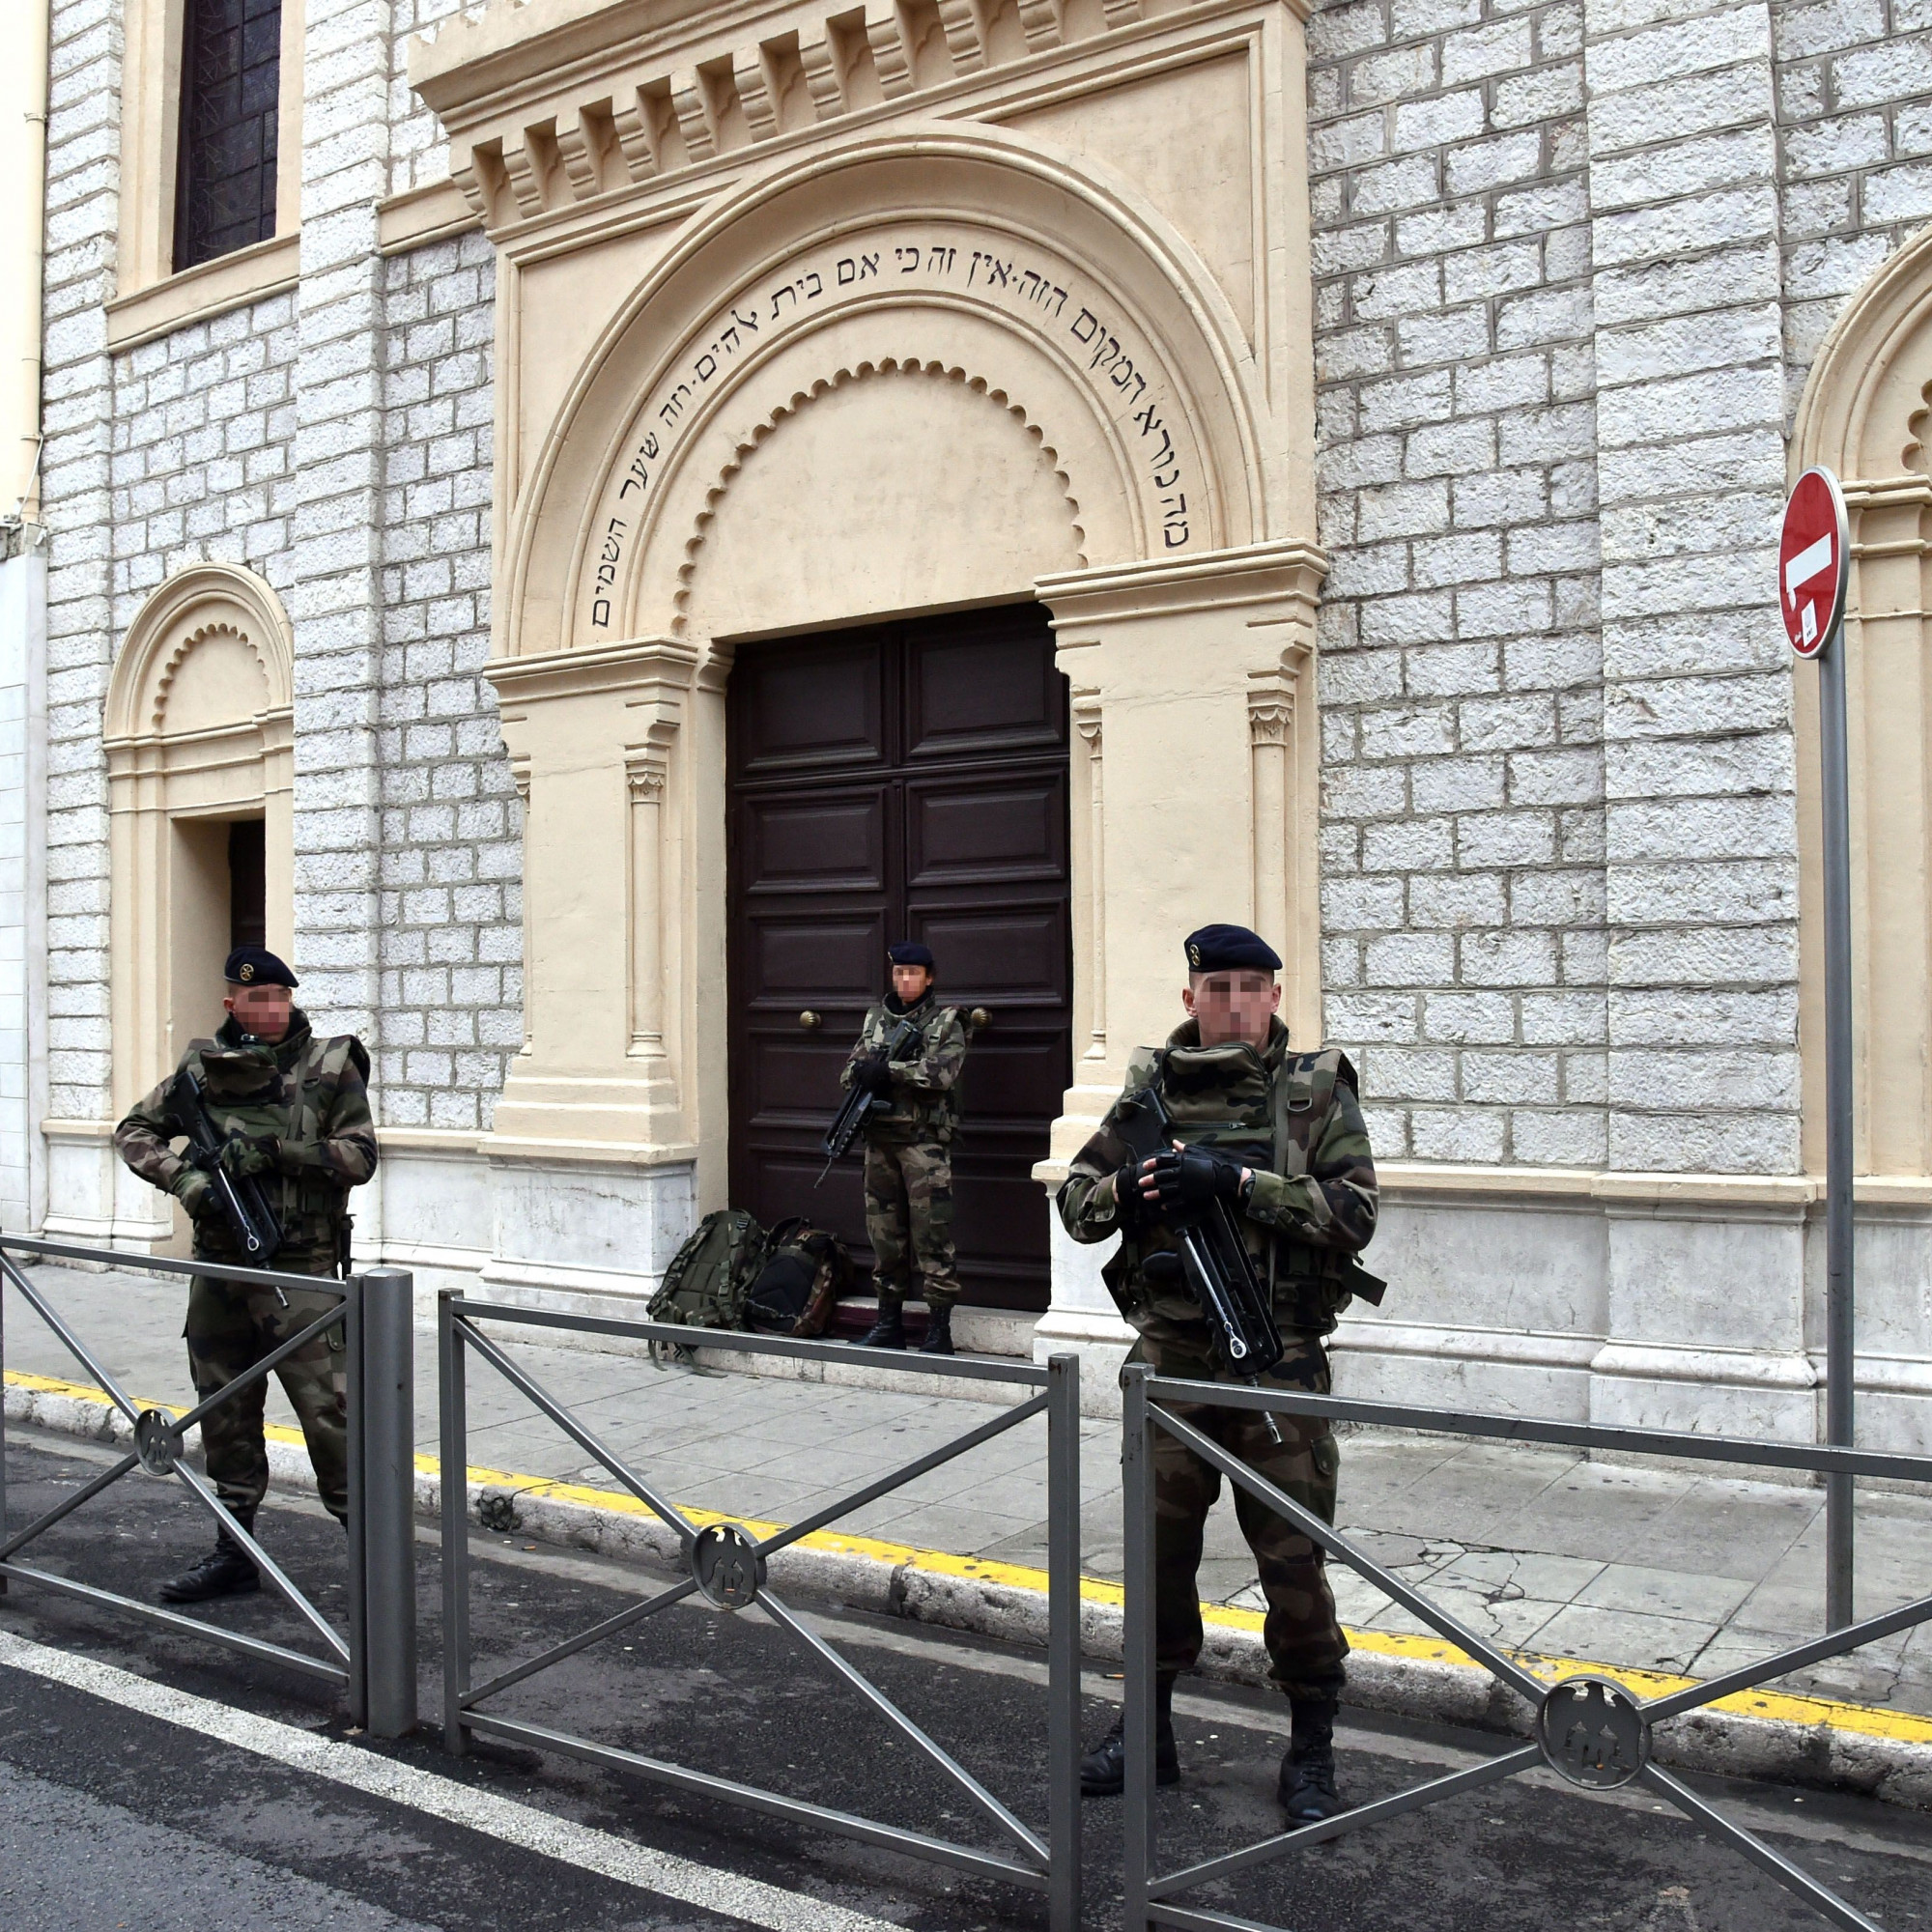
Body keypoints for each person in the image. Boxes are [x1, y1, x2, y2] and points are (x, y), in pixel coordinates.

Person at [1058, 923, 1380, 1823]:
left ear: (1276, 998)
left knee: (1295, 1568)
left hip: (1277, 1370)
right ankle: (1146, 1734)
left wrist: (1238, 1187)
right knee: (1156, 1563)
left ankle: (1310, 1750)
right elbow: (1078, 1206)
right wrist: (1132, 1189)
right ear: (1189, 998)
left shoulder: (1316, 1095)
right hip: (1168, 1367)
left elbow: (1354, 1215)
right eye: (1217, 988)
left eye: (1252, 988)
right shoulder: (1147, 1094)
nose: (1233, 1004)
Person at [114, 946, 379, 1603]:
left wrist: (276, 1152)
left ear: (291, 1000)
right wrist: (186, 1180)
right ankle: (235, 1554)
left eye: (279, 998)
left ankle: (375, 1565)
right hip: (221, 1271)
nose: (269, 1009)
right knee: (225, 1415)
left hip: (301, 1274)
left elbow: (360, 1157)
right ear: (233, 1003)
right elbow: (134, 1131)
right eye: (255, 999)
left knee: (331, 1418)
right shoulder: (199, 1070)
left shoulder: (331, 1066)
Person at [839, 942, 968, 1356]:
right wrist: (863, 1071)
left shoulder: (947, 1021)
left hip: (923, 1145)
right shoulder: (876, 1018)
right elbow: (850, 1071)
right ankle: (888, 1323)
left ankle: (938, 1331)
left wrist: (888, 1070)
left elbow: (940, 1074)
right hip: (880, 1145)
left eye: (913, 973)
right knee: (884, 1238)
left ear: (929, 977)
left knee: (932, 1237)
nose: (905, 980)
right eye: (899, 973)